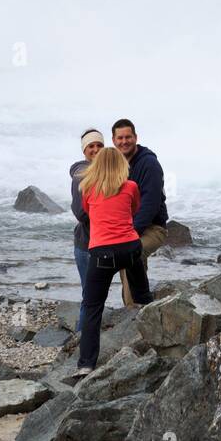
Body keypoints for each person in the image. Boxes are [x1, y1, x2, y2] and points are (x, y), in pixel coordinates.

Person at [75, 147, 153, 376]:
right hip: (129, 249)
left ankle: (86, 364)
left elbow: (88, 212)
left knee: (92, 308)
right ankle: (153, 327)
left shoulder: (88, 188)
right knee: (142, 295)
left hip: (101, 253)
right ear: (121, 165)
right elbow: (134, 209)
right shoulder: (130, 187)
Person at [112, 119, 168, 306]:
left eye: (128, 137)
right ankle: (138, 309)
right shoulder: (117, 164)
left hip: (152, 228)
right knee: (125, 262)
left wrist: (131, 234)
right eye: (120, 138)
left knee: (131, 255)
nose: (124, 141)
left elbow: (150, 204)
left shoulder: (149, 164)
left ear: (136, 137)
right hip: (128, 227)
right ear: (114, 140)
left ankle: (133, 311)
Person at [69, 128, 104, 332]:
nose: (95, 149)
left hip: (105, 243)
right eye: (91, 146)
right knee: (89, 294)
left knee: (96, 294)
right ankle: (83, 337)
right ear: (84, 150)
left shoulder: (110, 170)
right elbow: (80, 213)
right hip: (85, 244)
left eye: (99, 145)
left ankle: (90, 333)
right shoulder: (80, 175)